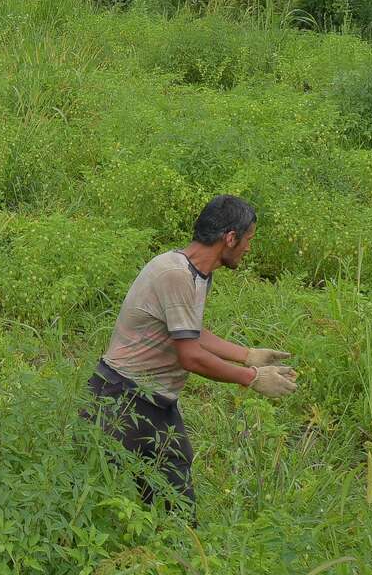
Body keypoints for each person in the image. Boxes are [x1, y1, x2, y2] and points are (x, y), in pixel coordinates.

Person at [84, 195, 298, 518]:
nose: (249, 249)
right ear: (230, 238)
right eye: (248, 240)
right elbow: (191, 356)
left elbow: (190, 331)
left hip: (157, 402)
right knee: (86, 491)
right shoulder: (174, 274)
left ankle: (175, 557)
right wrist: (252, 379)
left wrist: (248, 355)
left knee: (177, 505)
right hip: (120, 397)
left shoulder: (198, 275)